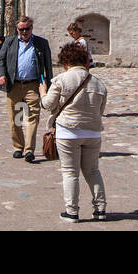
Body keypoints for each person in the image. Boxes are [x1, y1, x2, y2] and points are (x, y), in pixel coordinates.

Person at [42, 41, 108, 222]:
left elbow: (49, 104)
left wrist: (42, 93)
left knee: (70, 172)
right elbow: (100, 111)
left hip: (68, 132)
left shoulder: (61, 80)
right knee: (93, 171)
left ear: (65, 62)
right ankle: (100, 209)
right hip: (93, 133)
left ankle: (72, 211)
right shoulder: (99, 84)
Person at [0, 16, 53, 162]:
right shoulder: (10, 42)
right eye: (21, 29)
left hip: (33, 85)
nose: (24, 32)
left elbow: (48, 65)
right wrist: (1, 75)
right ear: (17, 29)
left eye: (27, 29)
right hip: (14, 85)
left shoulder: (41, 43)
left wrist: (49, 85)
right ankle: (18, 147)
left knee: (33, 117)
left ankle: (29, 150)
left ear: (31, 28)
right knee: (15, 119)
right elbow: (0, 60)